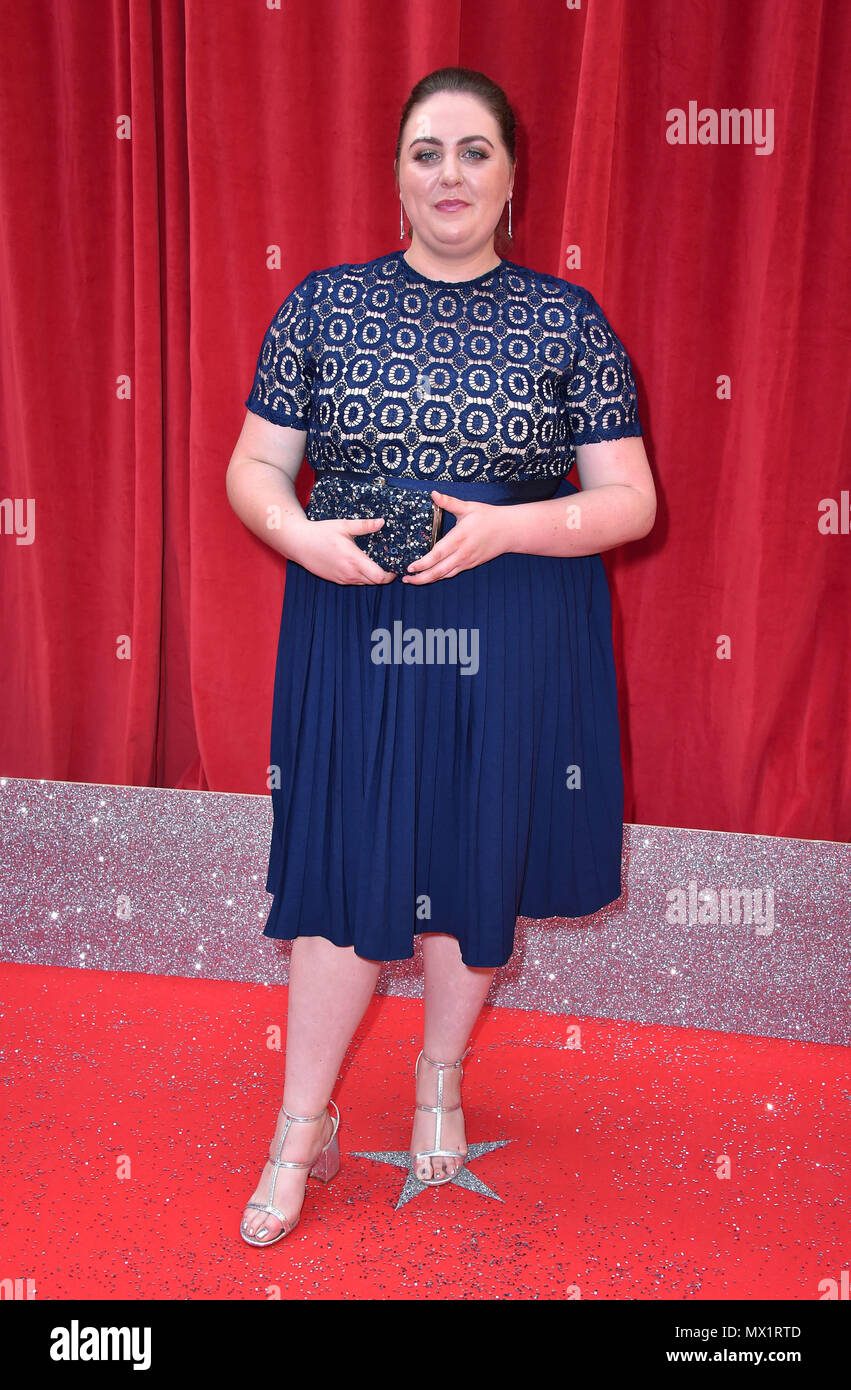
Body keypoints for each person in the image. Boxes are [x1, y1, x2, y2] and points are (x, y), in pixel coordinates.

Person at [226, 66, 656, 1246]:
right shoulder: (322, 306)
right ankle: (297, 1130)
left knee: (476, 862)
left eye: (474, 151)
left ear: (512, 175)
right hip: (356, 622)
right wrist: (299, 538)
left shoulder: (568, 321)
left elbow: (630, 503)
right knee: (341, 869)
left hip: (512, 629)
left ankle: (438, 1083)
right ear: (397, 174)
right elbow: (252, 470)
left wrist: (509, 526)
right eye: (427, 152)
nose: (449, 175)